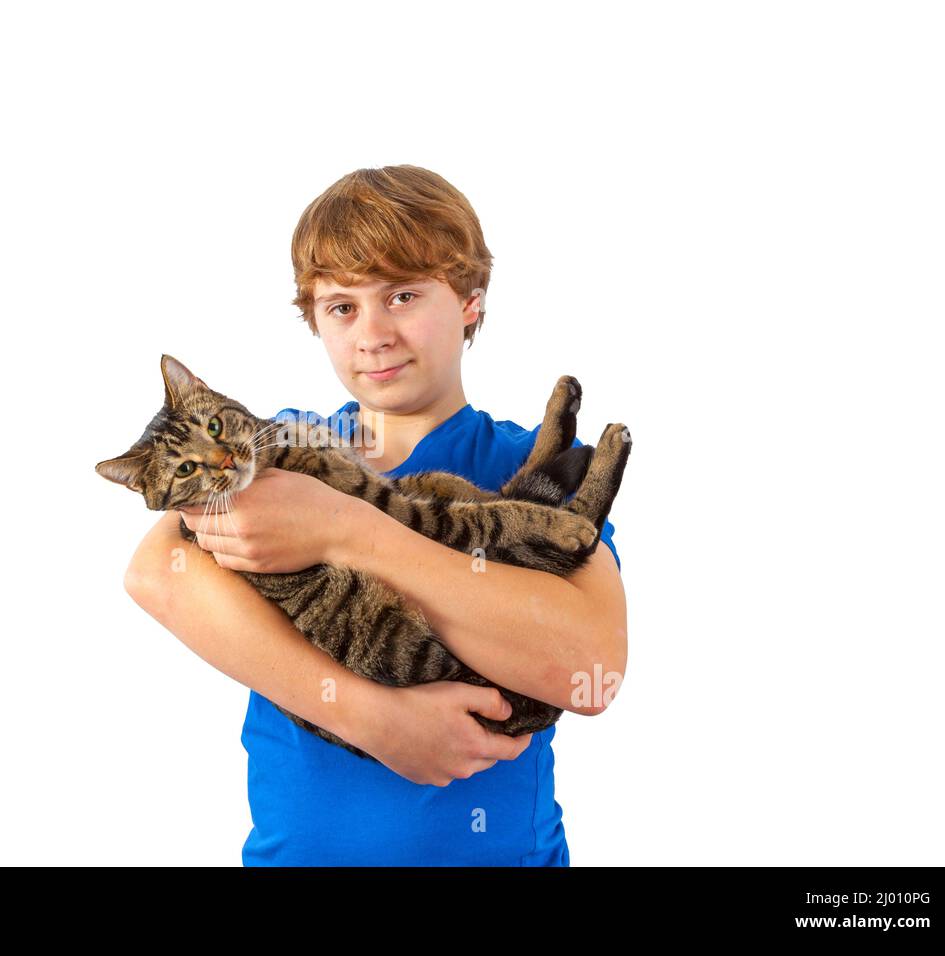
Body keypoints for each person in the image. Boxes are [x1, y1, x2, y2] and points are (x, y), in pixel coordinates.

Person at [123, 165, 627, 866]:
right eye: (341, 308)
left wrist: (346, 528)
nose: (374, 334)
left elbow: (587, 669)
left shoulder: (529, 463)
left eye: (402, 295)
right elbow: (157, 573)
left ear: (471, 301)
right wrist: (370, 718)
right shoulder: (277, 447)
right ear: (314, 320)